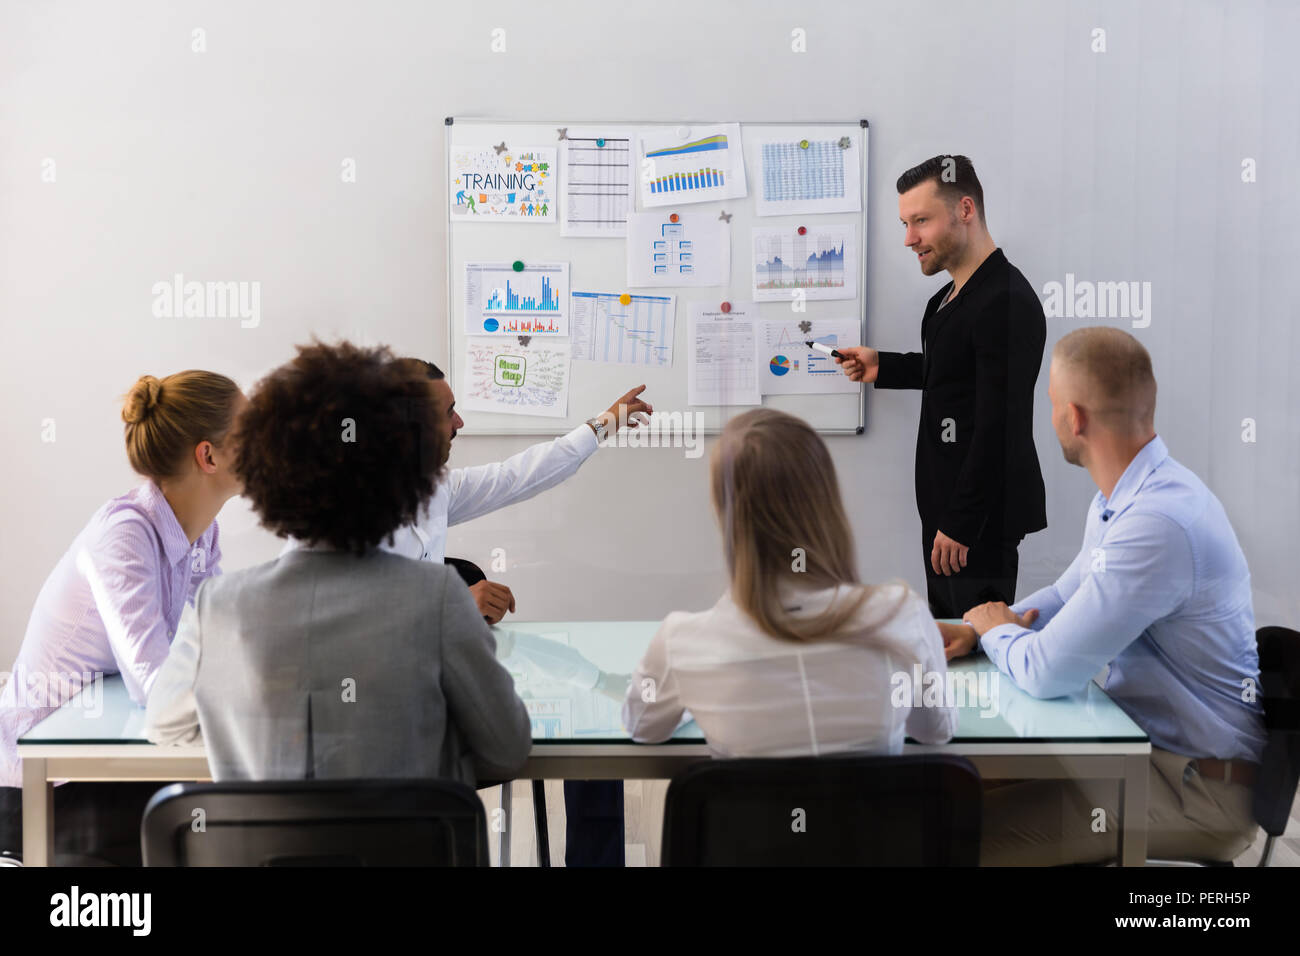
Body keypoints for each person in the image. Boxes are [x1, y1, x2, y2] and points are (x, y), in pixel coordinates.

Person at [946, 327, 1266, 865]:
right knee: (951, 794)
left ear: (1074, 417)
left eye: (1048, 404)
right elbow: (1066, 596)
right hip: (1146, 758)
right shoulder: (1128, 499)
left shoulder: (1157, 524)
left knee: (952, 840)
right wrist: (973, 631)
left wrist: (993, 628)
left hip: (1198, 792)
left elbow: (1049, 672)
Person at [146, 341, 532, 788]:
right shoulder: (441, 598)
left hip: (269, 855)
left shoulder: (219, 606)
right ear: (400, 478)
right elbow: (505, 749)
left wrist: (264, 751)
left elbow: (164, 726)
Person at [359, 358, 652, 867]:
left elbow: (518, 477)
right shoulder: (347, 514)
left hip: (448, 695)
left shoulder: (433, 490)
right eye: (448, 414)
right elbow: (359, 629)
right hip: (396, 735)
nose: (460, 424)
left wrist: (604, 423)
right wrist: (455, 608)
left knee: (592, 745)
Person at [0, 370, 245, 864]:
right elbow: (156, 687)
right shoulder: (125, 535)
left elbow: (210, 654)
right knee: (227, 822)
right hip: (43, 788)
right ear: (209, 455)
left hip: (108, 763)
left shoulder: (203, 534)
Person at [623, 409, 956, 756]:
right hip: (868, 812)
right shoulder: (903, 616)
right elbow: (937, 731)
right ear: (826, 501)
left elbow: (642, 727)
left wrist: (696, 691)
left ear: (725, 513)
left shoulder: (682, 643)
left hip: (752, 812)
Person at [836, 155, 1047, 619]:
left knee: (976, 650)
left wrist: (962, 522)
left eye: (921, 222)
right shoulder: (948, 297)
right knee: (950, 642)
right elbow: (952, 372)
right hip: (947, 515)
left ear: (965, 210)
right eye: (905, 224)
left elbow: (1001, 425)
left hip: (977, 521)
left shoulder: (1006, 301)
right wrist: (883, 366)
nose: (909, 239)